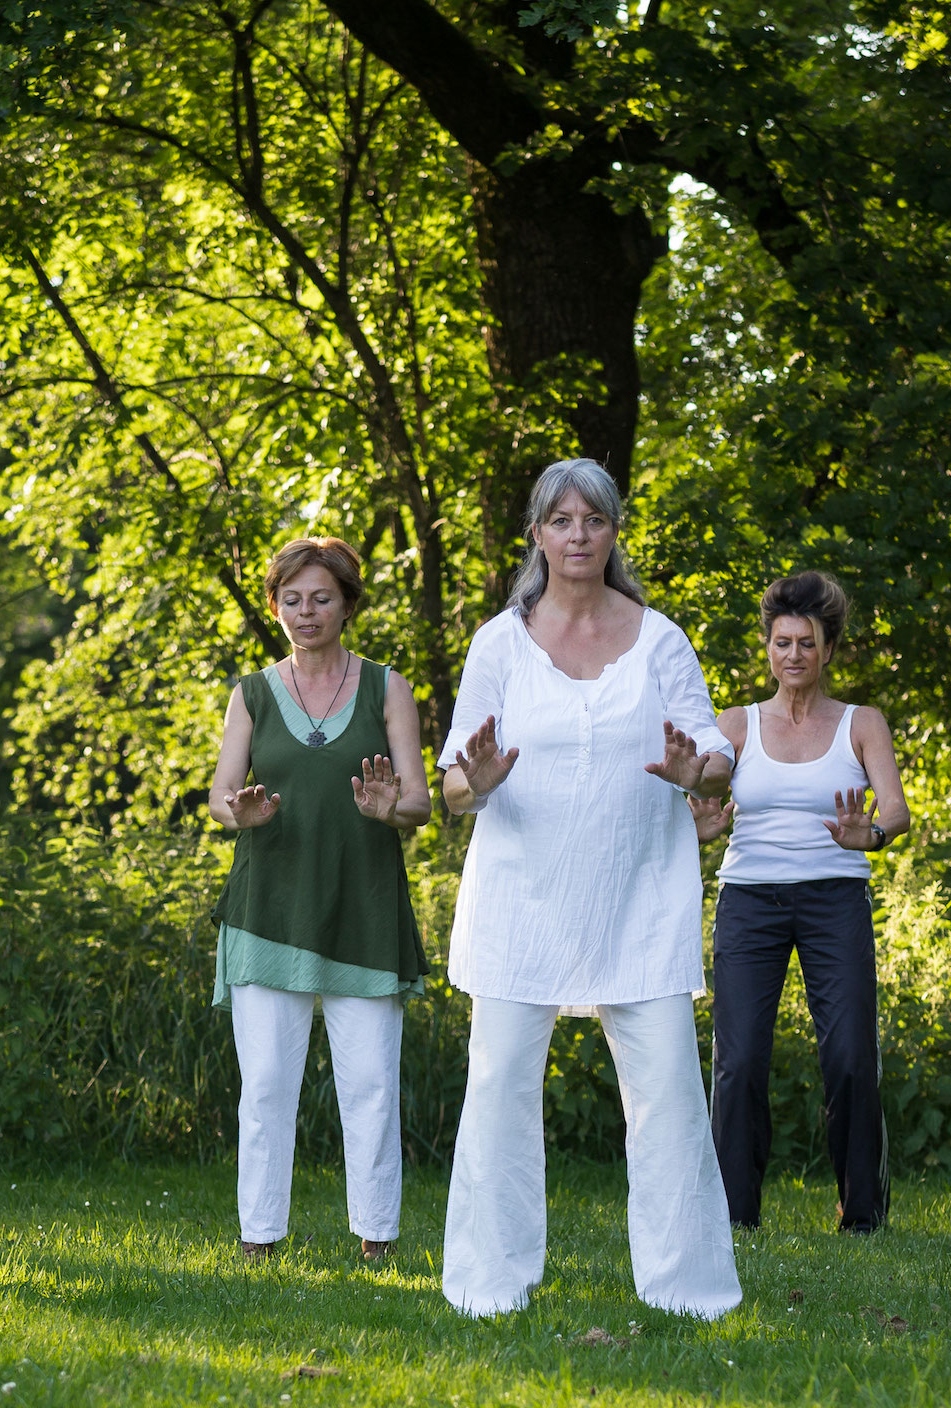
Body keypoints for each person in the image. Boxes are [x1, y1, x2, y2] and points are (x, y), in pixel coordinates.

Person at [436, 457, 742, 1320]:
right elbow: (454, 786)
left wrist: (700, 770)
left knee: (672, 1098)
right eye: (562, 521)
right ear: (536, 533)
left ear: (614, 534)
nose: (578, 536)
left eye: (594, 521)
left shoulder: (660, 638)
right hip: (518, 907)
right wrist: (479, 777)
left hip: (640, 902)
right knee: (497, 1094)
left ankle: (691, 1293)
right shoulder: (499, 642)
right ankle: (488, 1288)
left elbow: (715, 758)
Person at [207, 536, 432, 1260]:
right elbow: (219, 794)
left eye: (322, 598)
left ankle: (377, 1237)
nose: (307, 612)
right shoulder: (251, 693)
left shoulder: (386, 687)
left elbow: (420, 803)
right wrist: (234, 813)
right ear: (275, 606)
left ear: (347, 604)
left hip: (362, 911)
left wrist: (388, 811)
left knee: (371, 1086)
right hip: (268, 911)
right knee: (267, 1087)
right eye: (293, 599)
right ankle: (260, 1237)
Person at [692, 570, 910, 1234]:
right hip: (750, 901)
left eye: (806, 643)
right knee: (740, 1060)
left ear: (829, 649)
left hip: (835, 898)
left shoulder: (861, 723)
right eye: (782, 642)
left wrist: (864, 835)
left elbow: (895, 816)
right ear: (767, 647)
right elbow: (701, 787)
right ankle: (733, 1215)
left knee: (848, 1055)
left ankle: (862, 1213)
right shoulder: (734, 725)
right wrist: (699, 822)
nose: (793, 655)